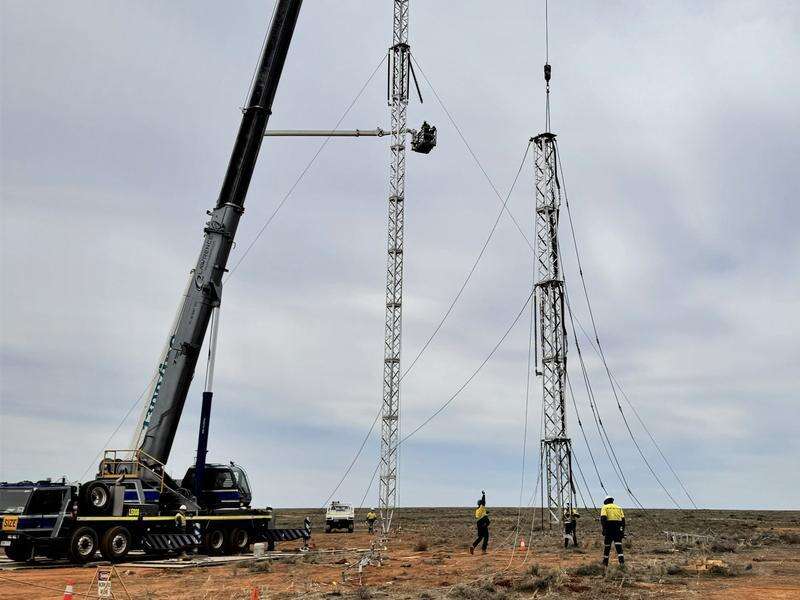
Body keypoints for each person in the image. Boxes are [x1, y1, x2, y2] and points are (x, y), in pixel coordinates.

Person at [600, 495, 625, 567]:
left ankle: (605, 564)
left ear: (606, 501)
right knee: (619, 547)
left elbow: (603, 519)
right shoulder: (619, 507)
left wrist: (604, 530)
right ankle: (622, 563)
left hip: (609, 528)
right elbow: (623, 521)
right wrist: (622, 531)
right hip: (618, 528)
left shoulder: (604, 507)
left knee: (607, 546)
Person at [469, 490, 490, 555]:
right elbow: (483, 501)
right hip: (483, 523)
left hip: (479, 523)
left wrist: (486, 513)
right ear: (481, 504)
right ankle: (483, 550)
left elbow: (480, 515)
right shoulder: (482, 507)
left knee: (480, 537)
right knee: (486, 536)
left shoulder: (477, 510)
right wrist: (483, 495)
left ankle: (473, 546)